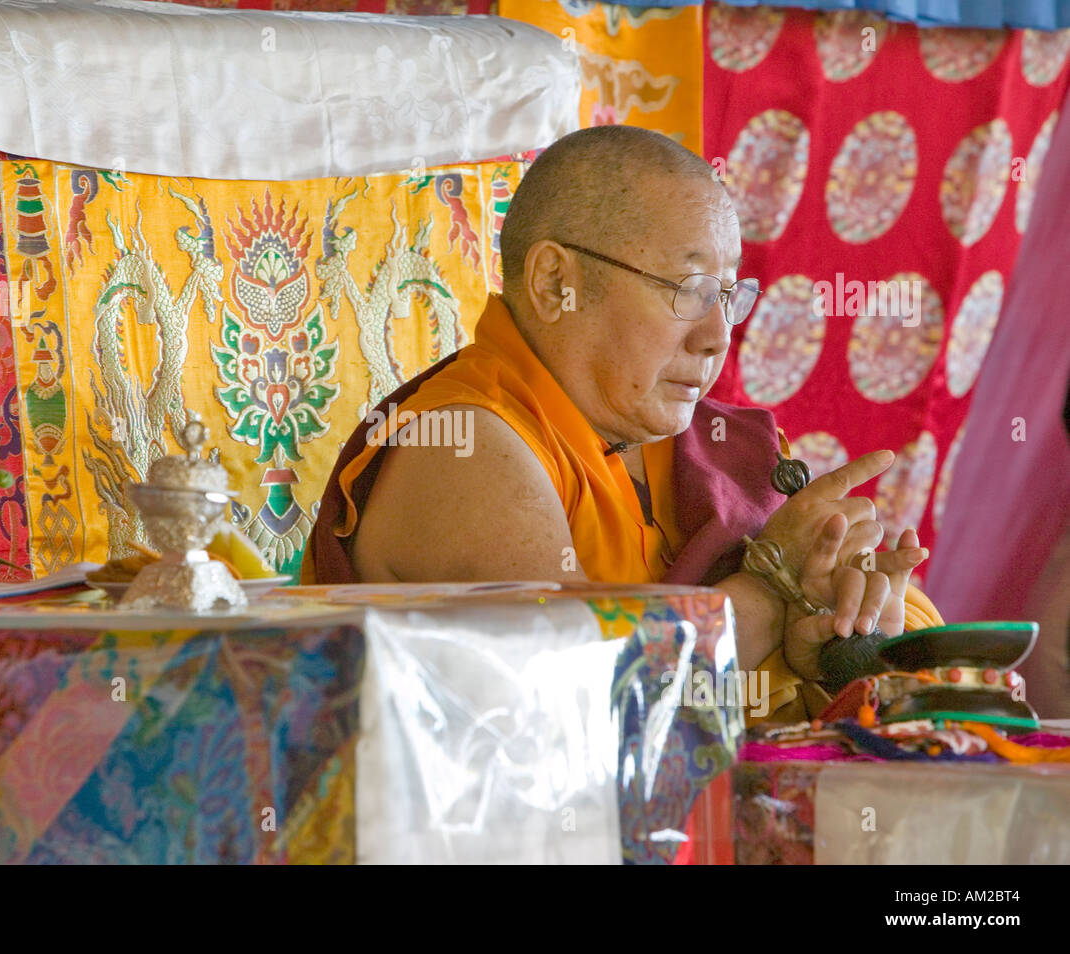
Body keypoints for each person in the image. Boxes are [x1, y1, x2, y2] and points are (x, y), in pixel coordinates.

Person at [302, 125, 944, 722]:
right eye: (688, 288)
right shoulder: (464, 447)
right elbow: (585, 695)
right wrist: (773, 591)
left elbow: (887, 672)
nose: (717, 337)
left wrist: (839, 644)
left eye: (728, 297)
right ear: (556, 282)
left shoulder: (723, 449)